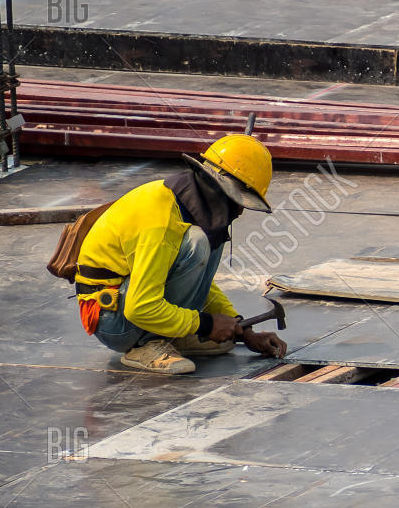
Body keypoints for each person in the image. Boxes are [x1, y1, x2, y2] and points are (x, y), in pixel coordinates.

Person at [74, 133, 289, 374]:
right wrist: (205, 324)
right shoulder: (162, 222)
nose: (240, 211)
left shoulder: (184, 207)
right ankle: (144, 345)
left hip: (126, 307)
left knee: (209, 240)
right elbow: (140, 308)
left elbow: (199, 285)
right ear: (217, 190)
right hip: (113, 320)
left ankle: (170, 334)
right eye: (238, 201)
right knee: (198, 242)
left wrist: (242, 330)